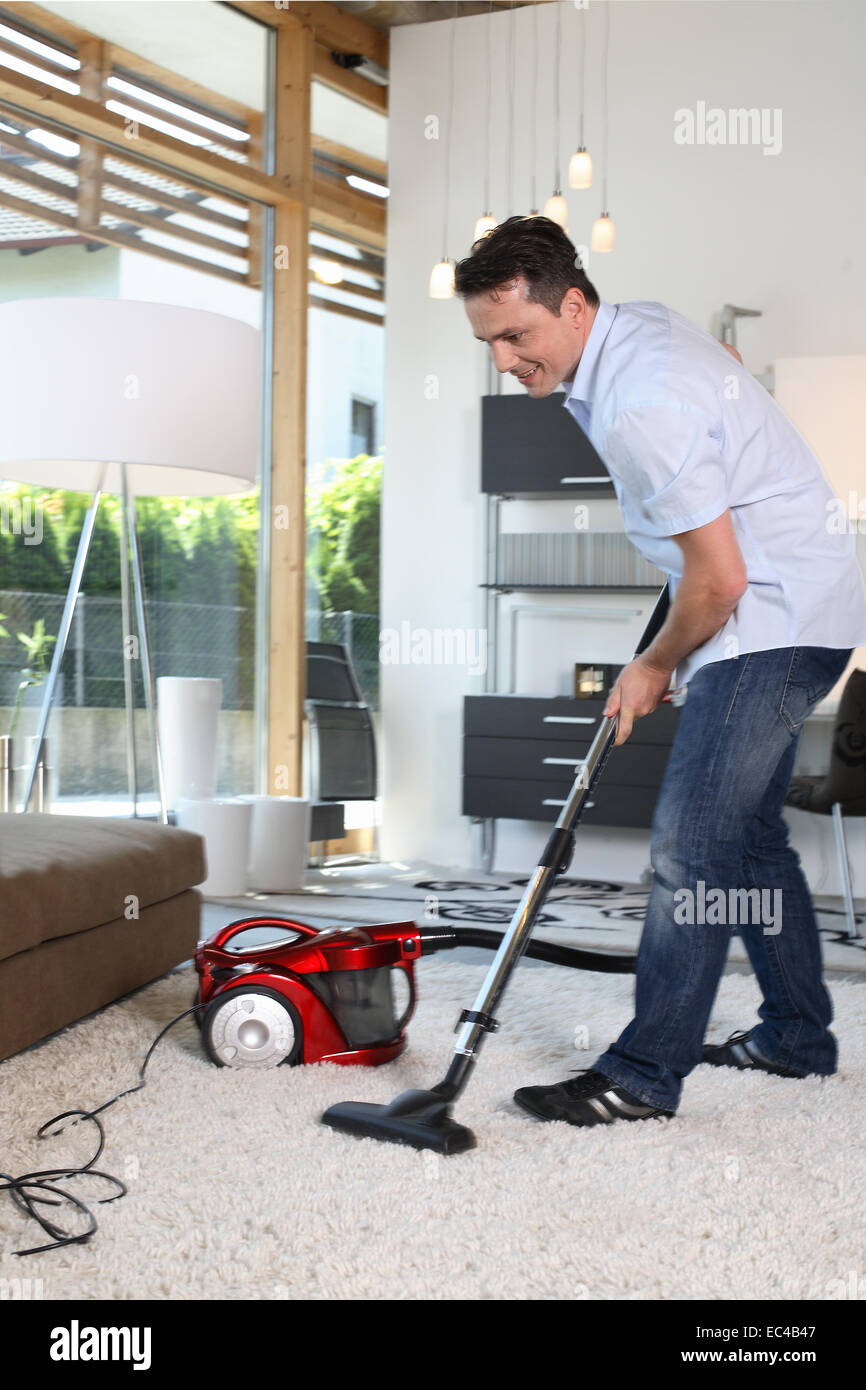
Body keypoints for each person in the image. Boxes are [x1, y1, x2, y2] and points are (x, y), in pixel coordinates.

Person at [453, 216, 866, 1128]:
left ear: (571, 305)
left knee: (692, 847)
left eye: (516, 336)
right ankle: (797, 1037)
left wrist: (650, 665)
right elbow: (714, 362)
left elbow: (719, 581)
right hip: (809, 604)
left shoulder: (642, 398)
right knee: (749, 839)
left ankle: (642, 1075)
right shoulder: (637, 326)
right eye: (488, 341)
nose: (504, 360)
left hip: (770, 617)